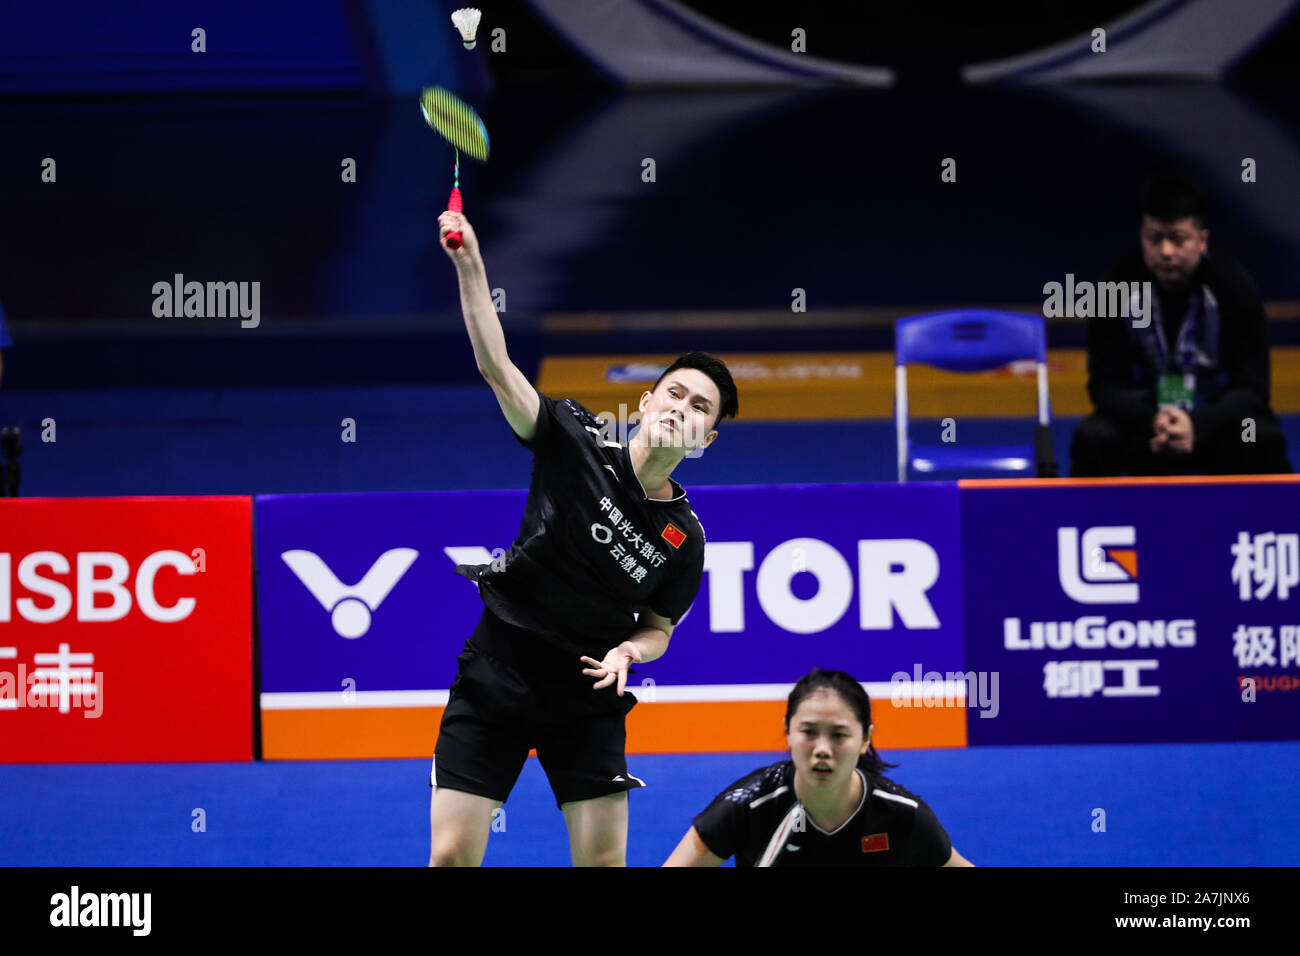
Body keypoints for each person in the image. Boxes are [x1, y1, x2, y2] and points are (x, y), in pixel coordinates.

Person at [428, 210, 739, 867]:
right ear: (648, 400)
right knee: (452, 856)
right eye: (675, 393)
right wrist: (470, 265)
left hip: (587, 693)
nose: (682, 407)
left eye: (700, 407)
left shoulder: (685, 537)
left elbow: (660, 628)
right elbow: (496, 366)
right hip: (499, 666)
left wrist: (632, 649)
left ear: (706, 440)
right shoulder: (573, 439)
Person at [1070, 174, 1291, 476]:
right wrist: (1153, 420)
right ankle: (1091, 523)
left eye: (1177, 238)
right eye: (1154, 238)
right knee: (1092, 438)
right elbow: (1105, 386)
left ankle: (1267, 523)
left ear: (1202, 240)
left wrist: (1198, 425)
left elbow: (1252, 389)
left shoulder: (1235, 288)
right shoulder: (1113, 289)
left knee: (1260, 436)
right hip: (1146, 423)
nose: (1165, 251)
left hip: (1214, 420)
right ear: (1141, 236)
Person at [664, 669, 973, 867]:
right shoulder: (749, 806)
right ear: (787, 730)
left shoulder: (902, 815)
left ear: (866, 738)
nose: (822, 749)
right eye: (809, 732)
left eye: (839, 735)